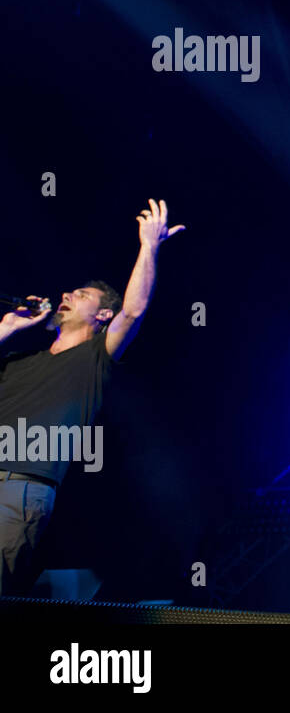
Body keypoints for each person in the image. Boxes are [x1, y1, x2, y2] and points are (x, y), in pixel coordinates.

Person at [0, 198, 184, 595]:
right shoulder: (17, 359)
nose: (68, 293)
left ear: (102, 316)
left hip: (20, 487)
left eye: (82, 294)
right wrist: (7, 328)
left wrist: (149, 245)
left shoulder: (94, 359)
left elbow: (132, 313)